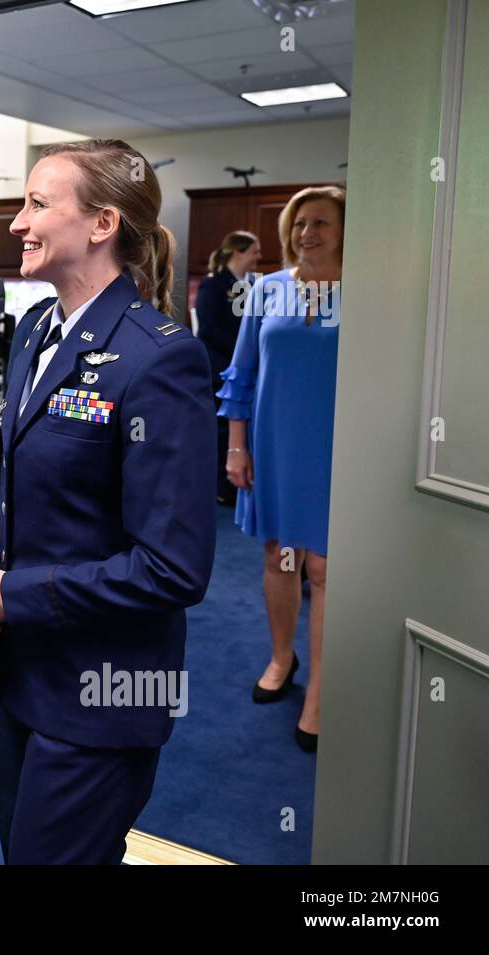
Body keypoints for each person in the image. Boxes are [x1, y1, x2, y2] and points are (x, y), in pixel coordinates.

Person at [0, 139, 216, 864]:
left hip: (105, 694)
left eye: (37, 204)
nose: (16, 222)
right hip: (28, 675)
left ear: (101, 224)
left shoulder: (160, 358)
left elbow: (174, 568)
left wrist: (13, 591)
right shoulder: (37, 330)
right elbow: (8, 471)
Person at [217, 186, 344, 754]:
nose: (306, 233)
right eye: (299, 223)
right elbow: (240, 374)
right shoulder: (266, 290)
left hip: (338, 450)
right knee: (279, 556)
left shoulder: (365, 291)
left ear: (346, 230)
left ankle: (320, 687)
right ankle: (281, 657)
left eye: (320, 222)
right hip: (273, 445)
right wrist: (236, 447)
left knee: (324, 568)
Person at [196, 230, 260, 505]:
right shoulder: (214, 284)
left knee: (241, 424)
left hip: (244, 366)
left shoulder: (253, 284)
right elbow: (208, 329)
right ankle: (223, 486)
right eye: (255, 250)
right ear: (238, 252)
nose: (259, 255)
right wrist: (243, 348)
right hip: (220, 364)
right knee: (222, 428)